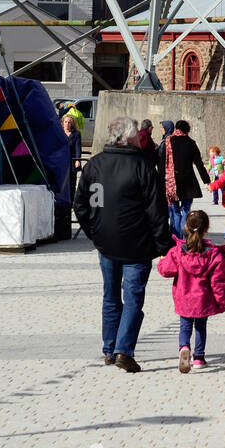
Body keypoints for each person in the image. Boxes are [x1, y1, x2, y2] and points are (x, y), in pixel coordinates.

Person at [74, 115, 172, 372]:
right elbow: (156, 211)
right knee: (132, 299)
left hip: (105, 244)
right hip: (136, 246)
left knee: (110, 297)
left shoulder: (94, 165)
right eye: (137, 134)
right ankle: (123, 350)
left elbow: (81, 205)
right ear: (128, 137)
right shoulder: (142, 167)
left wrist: (94, 232)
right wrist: (164, 245)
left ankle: (109, 348)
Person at [157, 208, 225, 372]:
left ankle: (183, 348)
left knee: (185, 326)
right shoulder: (213, 254)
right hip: (203, 299)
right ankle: (199, 358)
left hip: (184, 298)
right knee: (201, 327)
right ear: (206, 229)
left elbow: (165, 271)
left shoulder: (178, 251)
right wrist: (222, 299)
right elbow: (218, 282)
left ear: (186, 228)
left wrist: (162, 260)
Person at [163, 119, 210, 240]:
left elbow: (162, 163)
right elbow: (199, 164)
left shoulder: (168, 142)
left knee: (174, 212)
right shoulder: (191, 143)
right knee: (185, 210)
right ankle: (184, 238)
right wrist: (207, 180)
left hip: (170, 183)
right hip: (188, 183)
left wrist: (160, 181)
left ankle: (175, 238)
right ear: (187, 130)